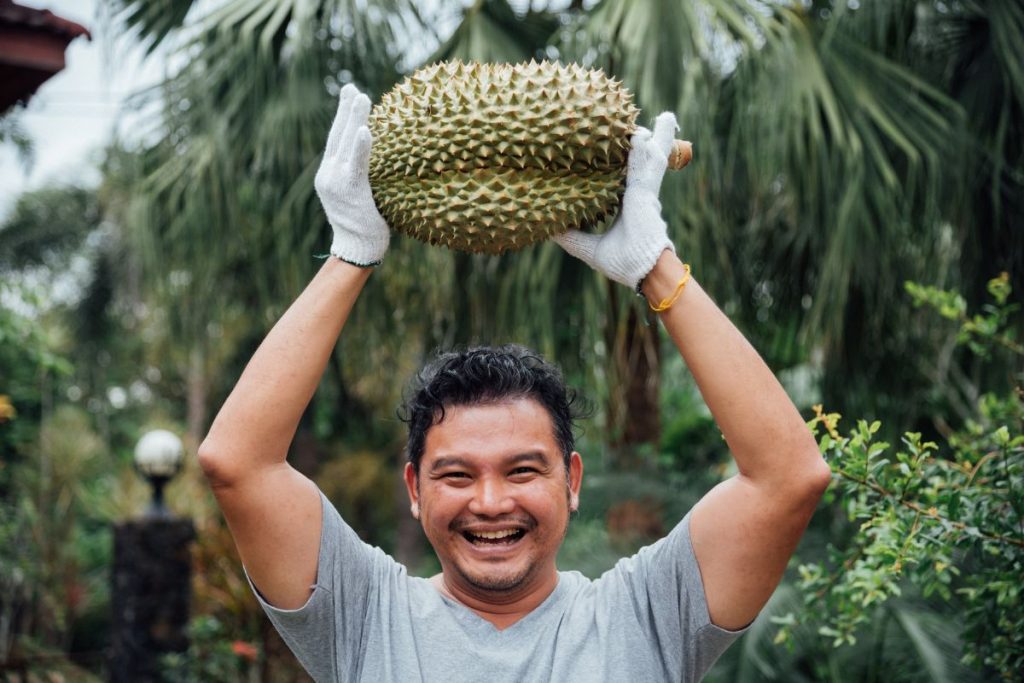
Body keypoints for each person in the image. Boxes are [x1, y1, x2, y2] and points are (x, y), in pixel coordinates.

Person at [198, 83, 832, 682]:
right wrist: (351, 254)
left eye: (524, 470)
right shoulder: (363, 614)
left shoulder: (647, 615)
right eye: (456, 474)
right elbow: (238, 463)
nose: (492, 502)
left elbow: (787, 478)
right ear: (415, 488)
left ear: (572, 480)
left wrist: (656, 270)